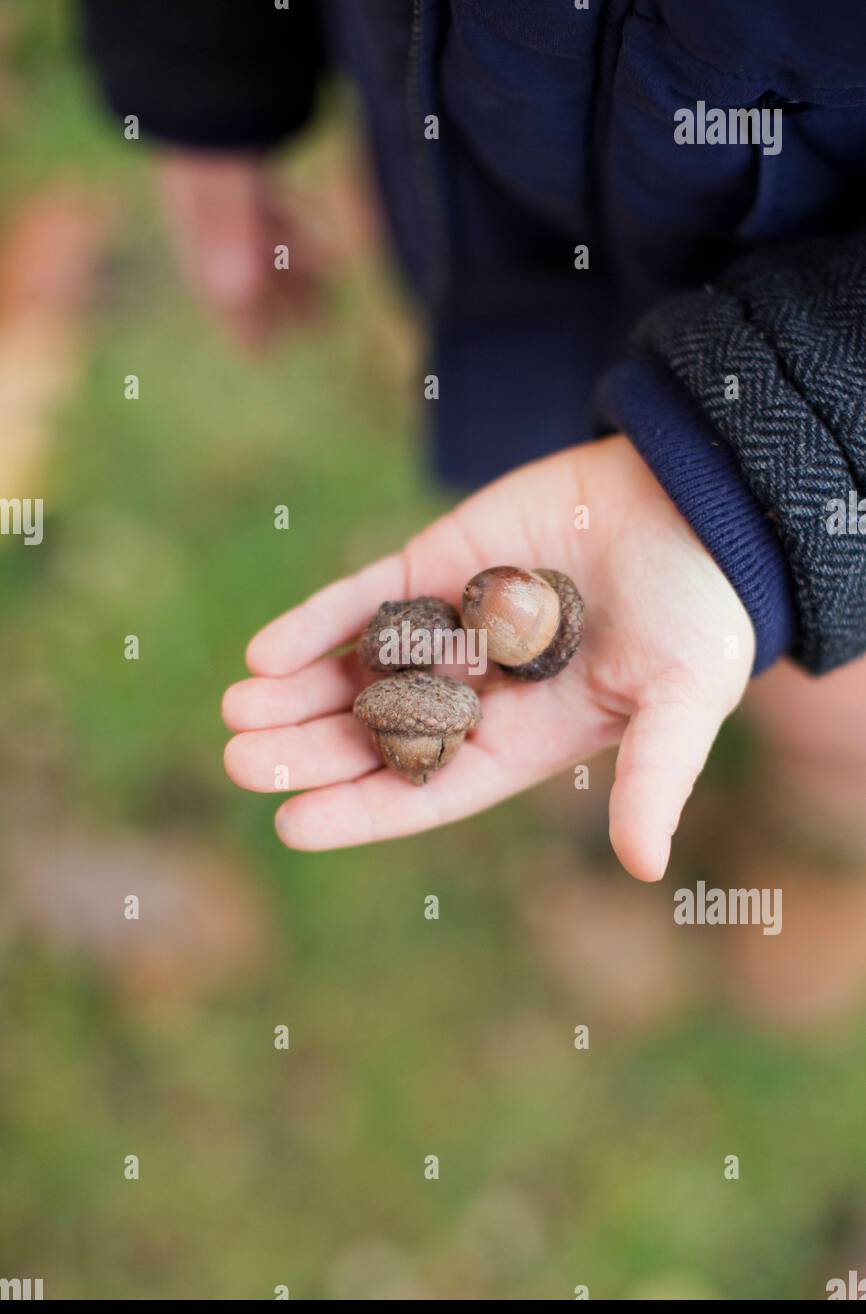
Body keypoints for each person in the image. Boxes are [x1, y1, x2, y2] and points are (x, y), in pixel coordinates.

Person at [80, 1, 866, 880]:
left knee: (821, 641)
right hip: (476, 216)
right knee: (537, 473)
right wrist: (197, 69)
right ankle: (633, 709)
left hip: (815, 287)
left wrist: (801, 450)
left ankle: (824, 787)